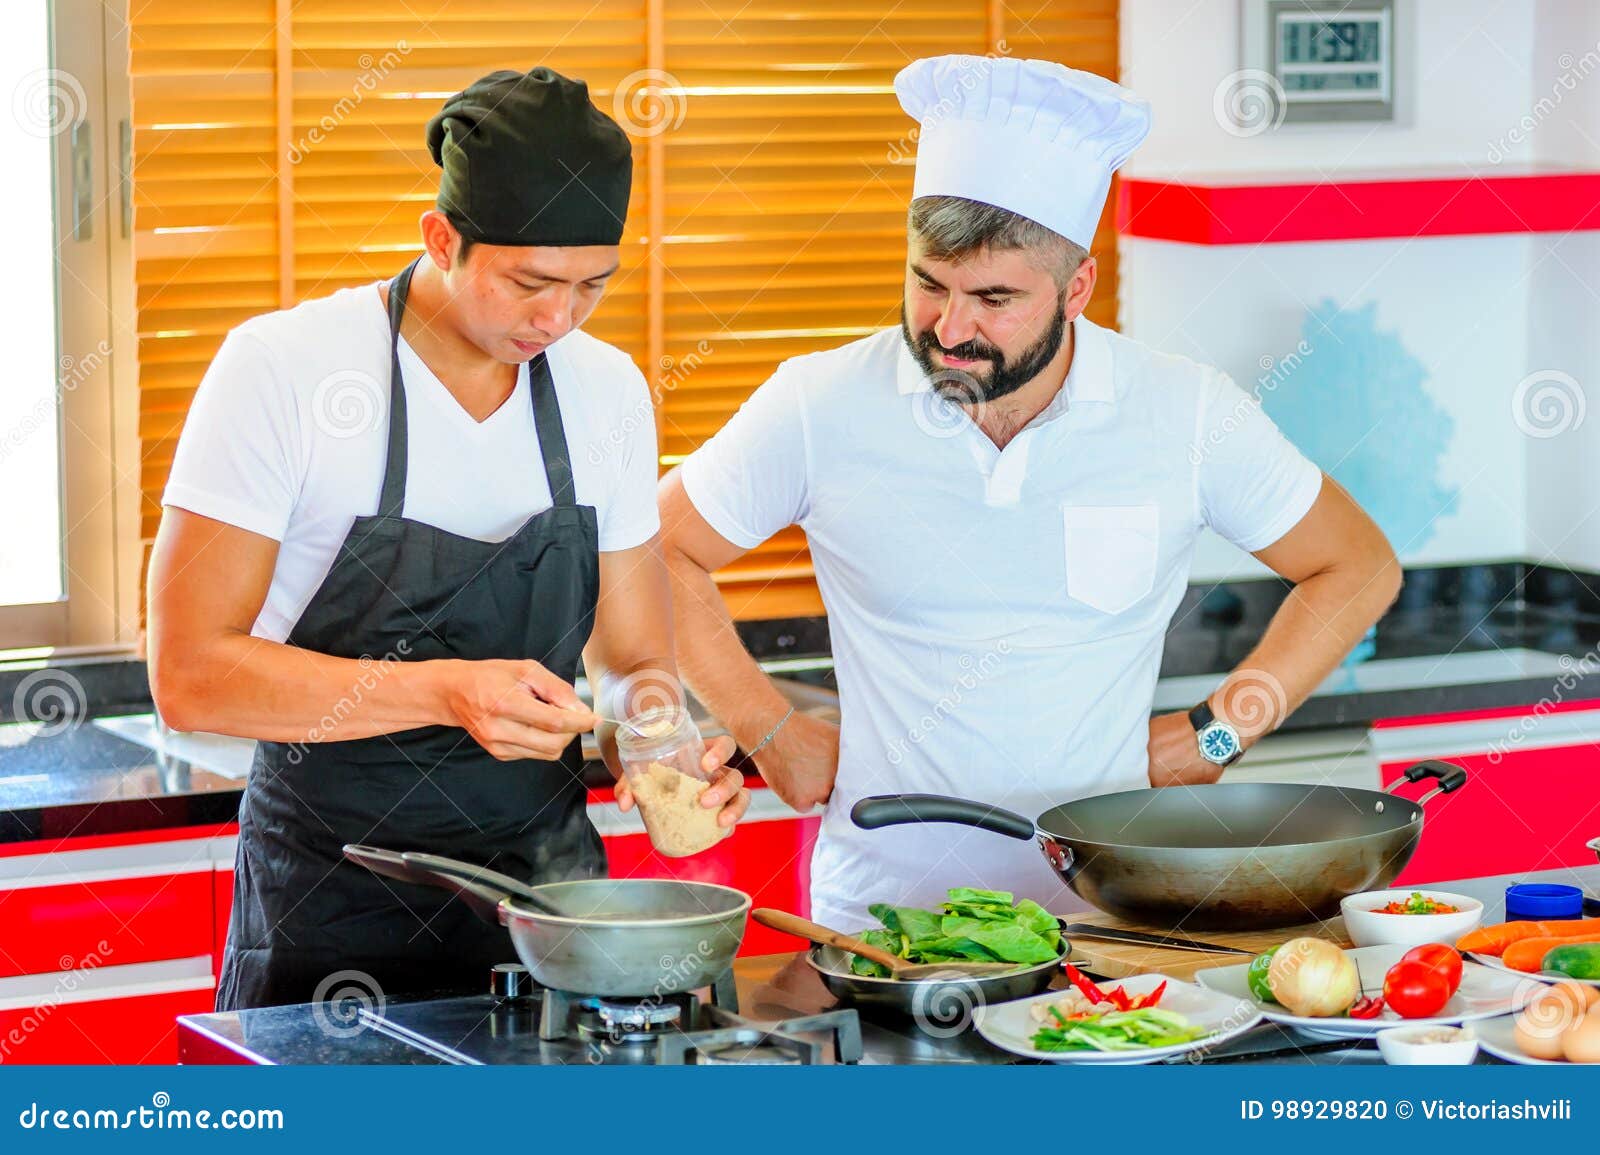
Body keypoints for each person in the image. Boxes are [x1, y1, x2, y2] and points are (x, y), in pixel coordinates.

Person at [656, 56, 1400, 930]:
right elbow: (655, 548)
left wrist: (1220, 730)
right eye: (927, 282)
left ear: (1076, 289)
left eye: (994, 297)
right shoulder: (819, 402)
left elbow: (1359, 566)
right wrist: (768, 728)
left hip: (1113, 921)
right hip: (883, 924)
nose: (949, 327)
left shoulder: (1183, 409)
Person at [147, 67, 748, 1009]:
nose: (558, 318)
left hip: (547, 910)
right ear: (442, 238)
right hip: (329, 903)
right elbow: (188, 676)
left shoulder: (608, 391)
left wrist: (655, 738)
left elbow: (633, 657)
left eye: (593, 285)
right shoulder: (286, 370)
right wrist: (443, 692)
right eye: (530, 282)